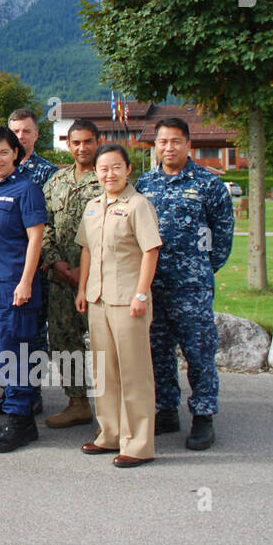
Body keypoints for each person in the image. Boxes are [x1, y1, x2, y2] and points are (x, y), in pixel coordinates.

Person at [136, 117, 234, 451]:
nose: (168, 148)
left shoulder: (208, 184)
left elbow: (222, 237)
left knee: (199, 352)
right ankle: (166, 410)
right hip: (154, 285)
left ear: (188, 144)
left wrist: (202, 270)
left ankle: (204, 416)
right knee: (158, 351)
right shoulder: (145, 183)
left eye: (175, 141)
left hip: (192, 288)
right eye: (163, 142)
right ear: (156, 146)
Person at [75, 144, 162, 467]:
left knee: (134, 373)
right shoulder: (94, 206)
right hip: (98, 299)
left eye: (115, 167)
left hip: (128, 301)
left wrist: (141, 293)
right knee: (104, 371)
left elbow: (150, 250)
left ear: (128, 170)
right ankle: (109, 433)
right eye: (103, 168)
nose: (109, 174)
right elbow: (86, 251)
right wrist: (82, 289)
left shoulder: (138, 205)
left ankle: (138, 443)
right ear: (96, 173)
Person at [0, 126, 47, 453]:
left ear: (16, 153)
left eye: (4, 151)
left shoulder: (26, 189)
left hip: (13, 284)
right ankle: (16, 410)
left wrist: (26, 281)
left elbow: (36, 239)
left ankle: (21, 420)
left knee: (15, 350)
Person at [0, 107, 57, 417]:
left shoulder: (46, 173)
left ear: (35, 134)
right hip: (6, 270)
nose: (20, 136)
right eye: (15, 131)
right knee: (7, 335)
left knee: (32, 336)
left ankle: (32, 394)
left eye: (26, 131)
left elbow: (53, 222)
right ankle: (11, 391)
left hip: (35, 269)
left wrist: (46, 259)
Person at [40, 119, 103, 429]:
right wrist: (54, 262)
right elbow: (46, 226)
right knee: (64, 341)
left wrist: (87, 271)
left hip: (100, 281)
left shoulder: (108, 178)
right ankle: (77, 402)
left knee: (107, 344)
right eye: (76, 142)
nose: (82, 148)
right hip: (62, 279)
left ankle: (112, 407)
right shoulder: (56, 181)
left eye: (88, 142)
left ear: (98, 142)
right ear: (68, 144)